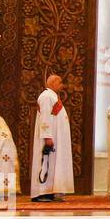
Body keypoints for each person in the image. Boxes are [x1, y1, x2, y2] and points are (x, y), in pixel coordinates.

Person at [30, 74, 75, 202]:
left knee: (53, 164)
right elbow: (45, 117)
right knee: (45, 163)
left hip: (56, 137)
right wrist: (47, 136)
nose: (63, 85)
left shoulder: (53, 96)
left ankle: (51, 191)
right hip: (49, 138)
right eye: (60, 82)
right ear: (53, 83)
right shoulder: (46, 96)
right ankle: (42, 192)